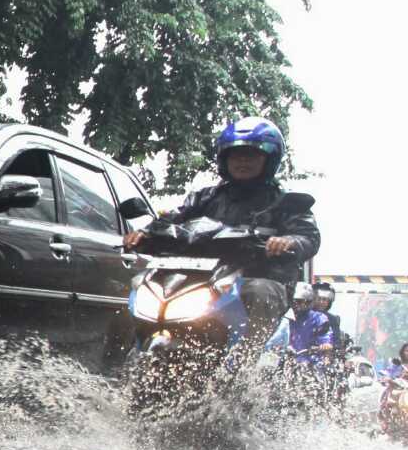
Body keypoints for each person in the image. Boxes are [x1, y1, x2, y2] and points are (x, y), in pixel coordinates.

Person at [123, 116, 321, 337]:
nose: (242, 161)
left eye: (251, 156)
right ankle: (121, 354)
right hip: (204, 276)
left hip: (257, 276)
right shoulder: (204, 198)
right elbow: (174, 218)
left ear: (269, 160)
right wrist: (144, 233)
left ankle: (245, 362)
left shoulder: (287, 203)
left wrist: (289, 241)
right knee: (141, 285)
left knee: (259, 291)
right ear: (224, 159)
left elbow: (308, 236)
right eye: (236, 155)